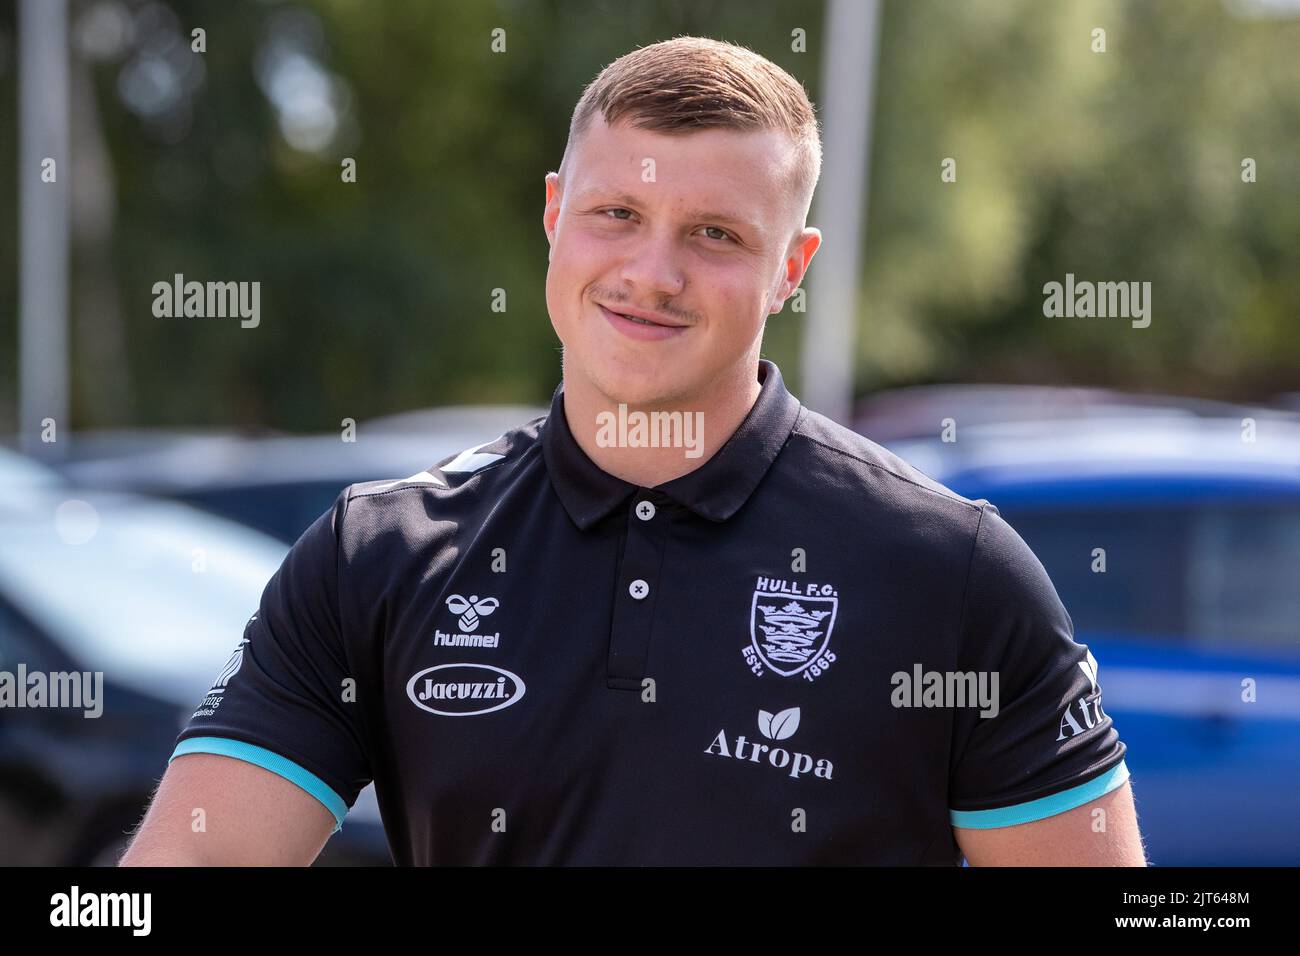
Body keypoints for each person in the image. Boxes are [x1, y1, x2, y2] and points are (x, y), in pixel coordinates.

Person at [122, 36, 1145, 866]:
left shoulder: (951, 569)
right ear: (554, 214)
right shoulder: (375, 554)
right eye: (617, 215)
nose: (651, 273)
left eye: (714, 235)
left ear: (791, 267)